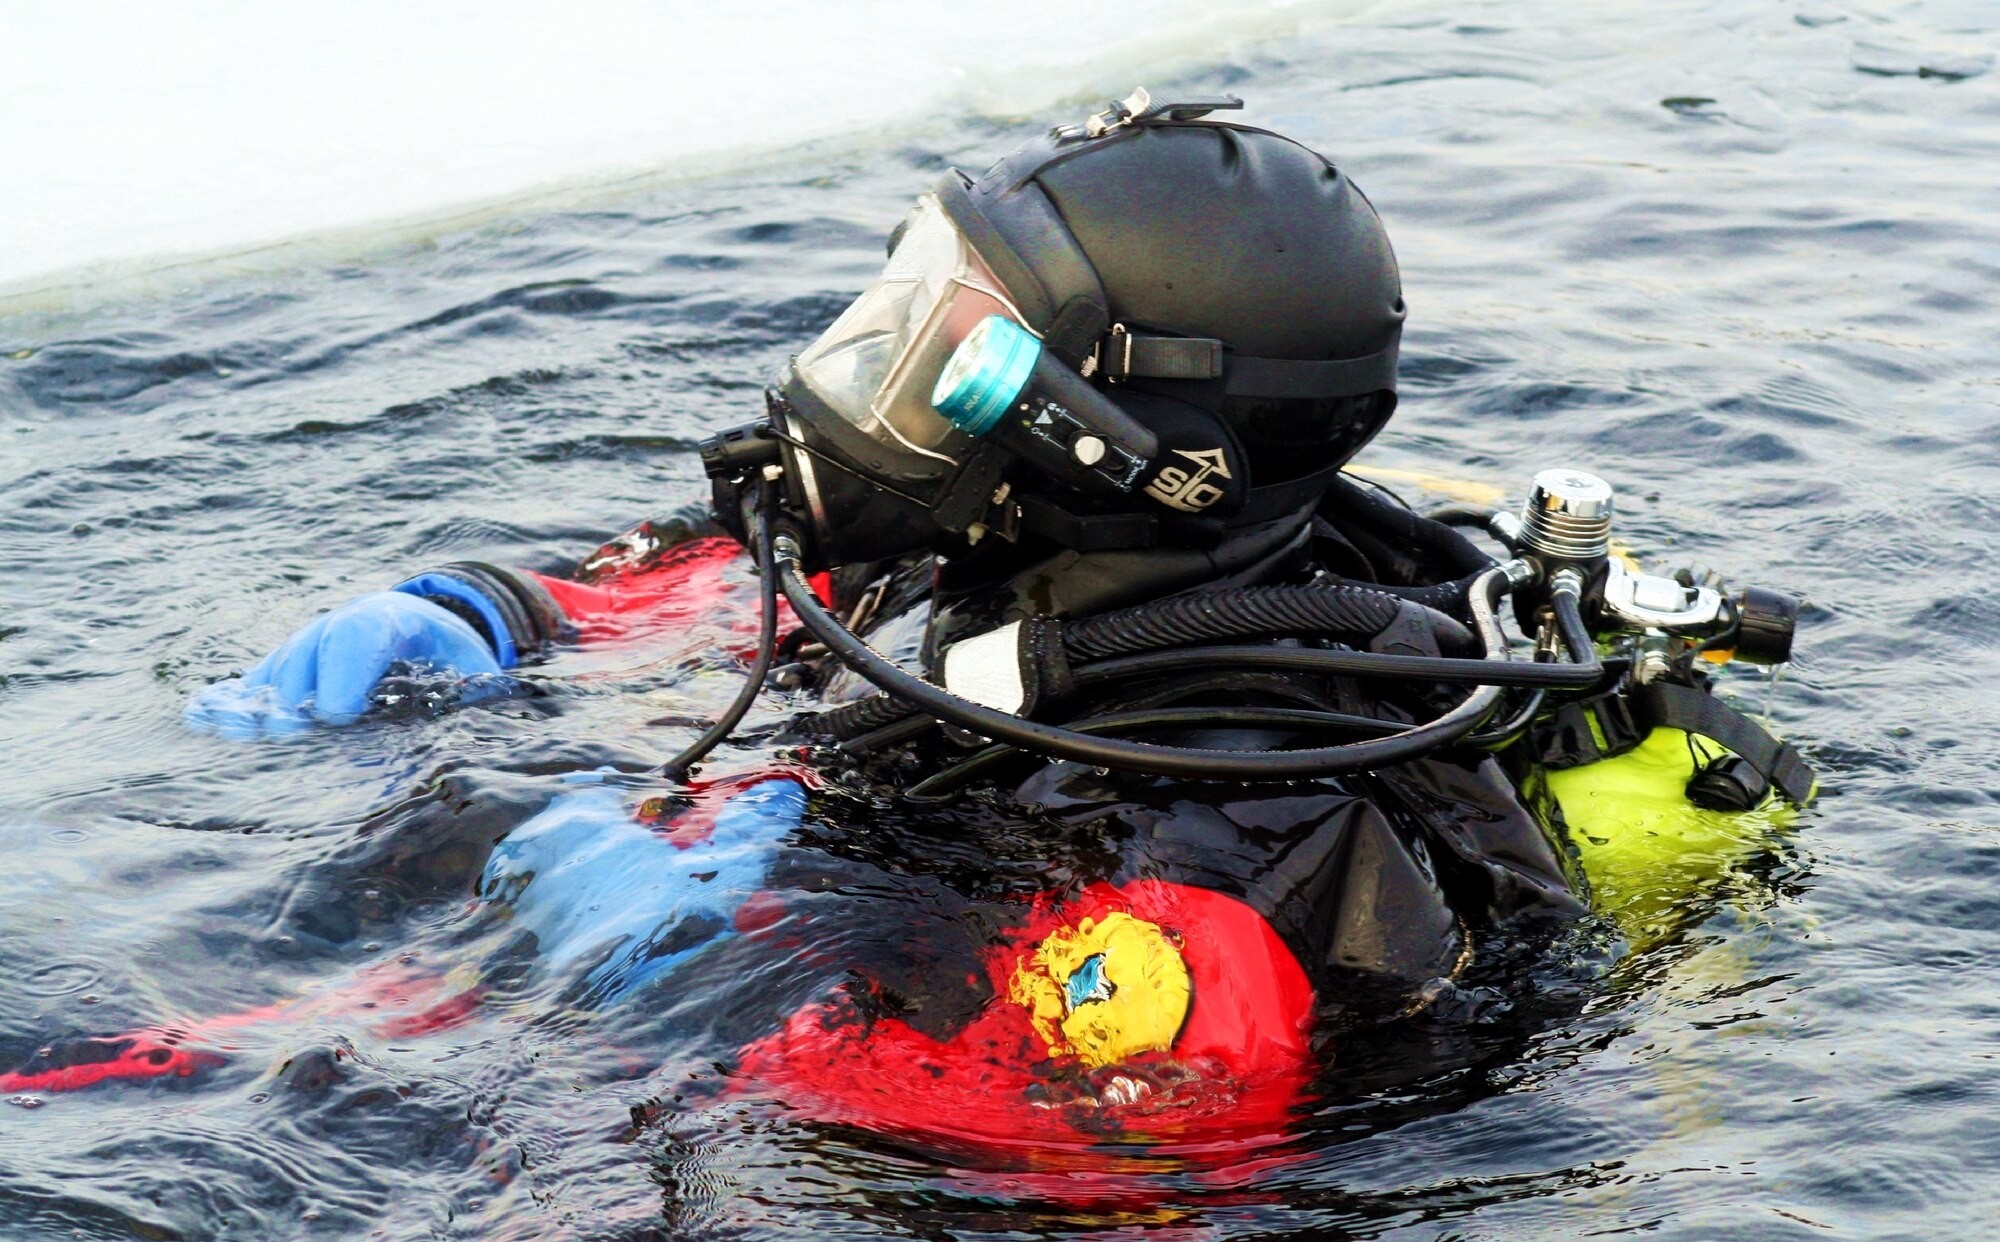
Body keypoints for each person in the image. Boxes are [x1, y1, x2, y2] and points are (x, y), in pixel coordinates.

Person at [8, 92, 1811, 1152]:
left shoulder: (1253, 833)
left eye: (943, 354)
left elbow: (1041, 1145)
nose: (870, 388)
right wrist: (499, 608)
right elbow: (755, 579)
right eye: (908, 301)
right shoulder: (1009, 554)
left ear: (1122, 448)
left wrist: (687, 981)